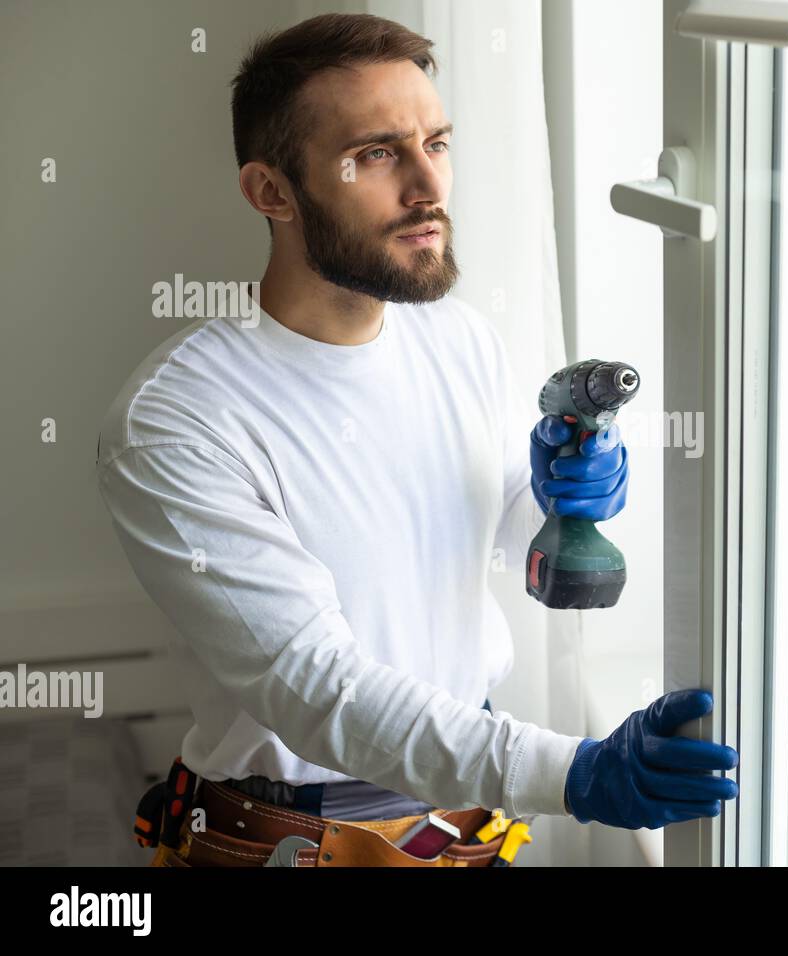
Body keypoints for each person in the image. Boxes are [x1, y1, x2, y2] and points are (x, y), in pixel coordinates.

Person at [96, 12, 737, 845]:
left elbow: (523, 551)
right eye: (375, 154)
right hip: (291, 841)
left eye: (436, 143)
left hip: (466, 824)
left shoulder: (456, 338)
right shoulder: (177, 422)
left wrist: (566, 496)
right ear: (271, 192)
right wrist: (573, 773)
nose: (427, 186)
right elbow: (319, 691)